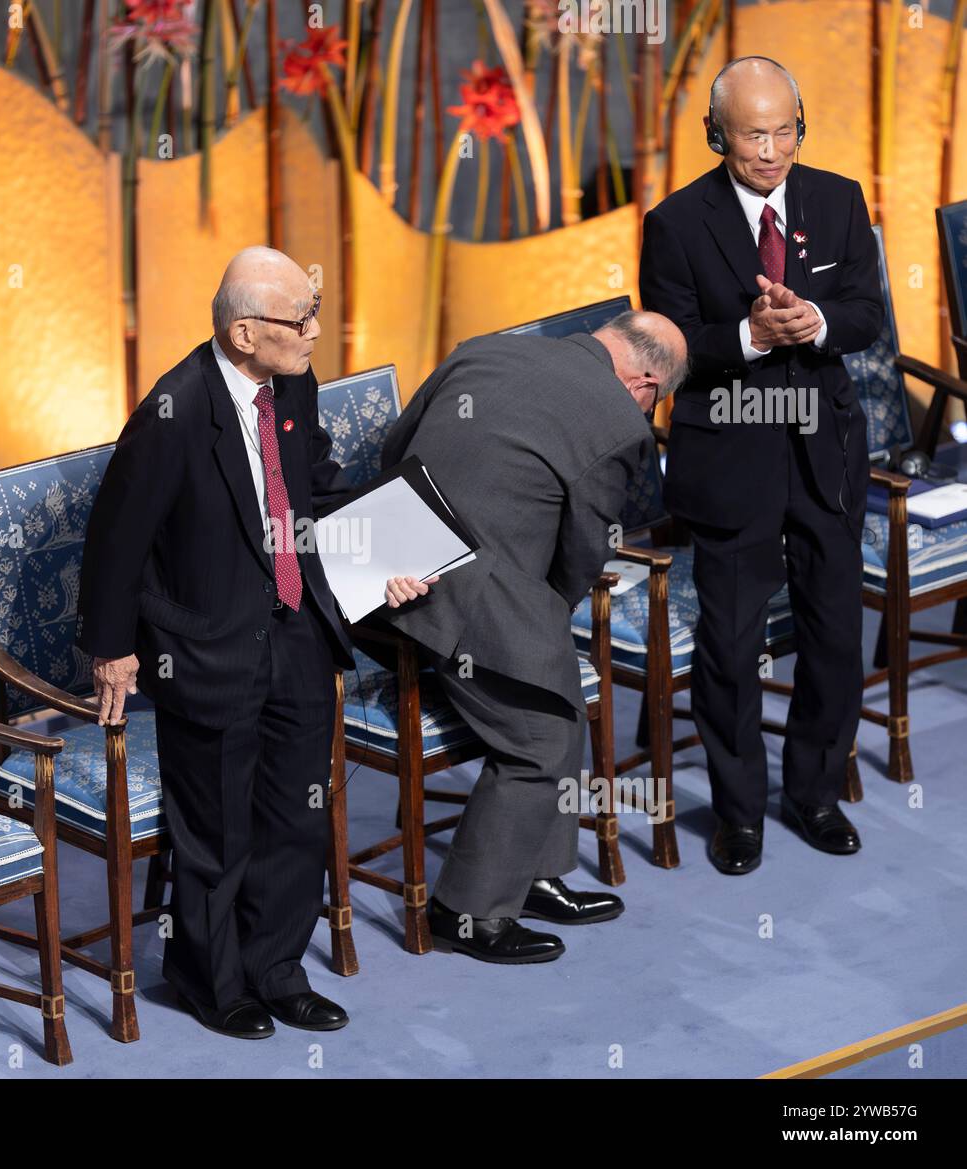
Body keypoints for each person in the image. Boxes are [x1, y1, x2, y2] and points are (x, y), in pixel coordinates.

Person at [76, 246, 426, 1039]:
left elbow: (316, 485)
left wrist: (384, 556)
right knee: (218, 829)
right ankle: (210, 978)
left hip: (298, 630)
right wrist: (113, 650)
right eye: (301, 317)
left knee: (295, 816)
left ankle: (277, 968)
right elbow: (117, 539)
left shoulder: (290, 384)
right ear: (243, 332)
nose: (315, 330)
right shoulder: (172, 411)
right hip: (207, 647)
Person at [377, 311, 688, 963]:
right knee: (541, 736)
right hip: (449, 599)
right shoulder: (620, 423)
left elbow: (394, 447)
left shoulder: (483, 346)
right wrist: (544, 609)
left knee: (561, 685)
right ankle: (466, 911)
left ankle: (533, 874)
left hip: (384, 561)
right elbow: (581, 550)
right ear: (646, 385)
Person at [639, 56, 883, 874]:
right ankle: (739, 814)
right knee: (730, 651)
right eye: (753, 134)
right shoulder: (675, 224)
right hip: (730, 460)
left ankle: (813, 794)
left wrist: (813, 321)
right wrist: (747, 337)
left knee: (835, 639)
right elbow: (666, 352)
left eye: (785, 130)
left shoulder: (839, 200)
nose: (772, 149)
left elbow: (866, 315)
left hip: (825, 455)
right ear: (717, 134)